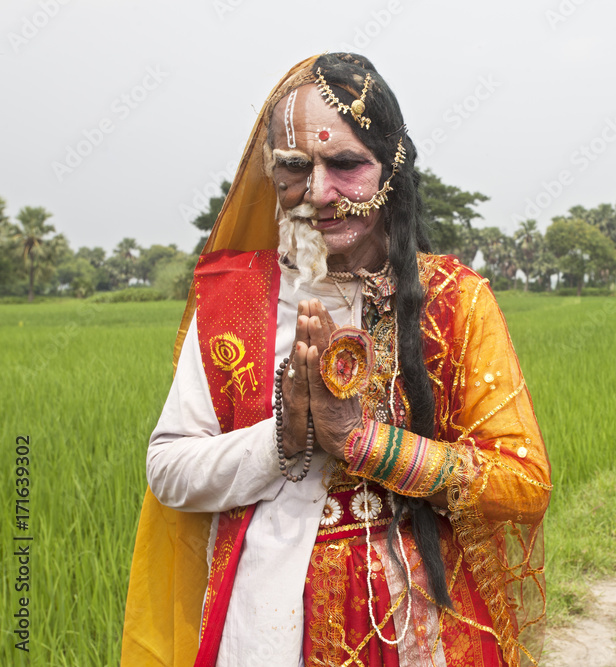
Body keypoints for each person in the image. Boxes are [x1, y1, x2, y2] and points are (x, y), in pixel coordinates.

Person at [121, 53, 552, 667]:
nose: (319, 192)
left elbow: (524, 483)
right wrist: (284, 439)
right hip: (264, 627)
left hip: (421, 627)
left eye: (346, 164)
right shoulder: (235, 303)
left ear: (391, 167)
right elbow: (168, 469)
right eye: (295, 166)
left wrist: (362, 442)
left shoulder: (454, 302)